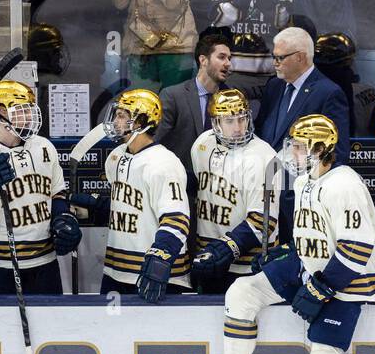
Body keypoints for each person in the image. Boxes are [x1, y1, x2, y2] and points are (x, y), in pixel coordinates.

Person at [196, 113, 375, 354]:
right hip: (312, 270)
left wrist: (322, 288)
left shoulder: (344, 184)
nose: (292, 152)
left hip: (349, 284)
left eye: (298, 146)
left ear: (319, 149)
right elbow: (311, 237)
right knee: (241, 293)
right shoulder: (304, 180)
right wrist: (287, 256)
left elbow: (357, 248)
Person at [0, 80, 79, 296]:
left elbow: (57, 193)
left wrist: (64, 219)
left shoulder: (44, 147)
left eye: (31, 110)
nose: (29, 117)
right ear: (1, 112)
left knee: (52, 327)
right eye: (22, 111)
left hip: (44, 263)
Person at [70, 88, 193, 300]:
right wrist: (95, 206)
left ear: (140, 121)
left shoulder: (164, 163)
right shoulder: (117, 157)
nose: (115, 121)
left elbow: (177, 220)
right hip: (115, 270)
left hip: (153, 273)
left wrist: (159, 261)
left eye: (121, 116)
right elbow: (132, 206)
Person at [188, 88, 280, 293]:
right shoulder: (202, 145)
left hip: (250, 266)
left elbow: (264, 220)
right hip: (208, 258)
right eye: (229, 121)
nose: (238, 127)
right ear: (215, 122)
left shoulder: (265, 157)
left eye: (242, 119)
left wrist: (226, 248)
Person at [256, 25, 351, 164]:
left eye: (280, 58)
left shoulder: (328, 93)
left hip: (301, 181)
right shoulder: (274, 86)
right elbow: (261, 131)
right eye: (273, 57)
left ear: (300, 57)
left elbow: (337, 152)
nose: (274, 63)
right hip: (267, 177)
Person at [156, 29, 237, 176]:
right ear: (203, 60)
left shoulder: (232, 100)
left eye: (229, 58)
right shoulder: (173, 96)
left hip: (219, 190)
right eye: (222, 57)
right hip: (180, 186)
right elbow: (156, 143)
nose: (228, 64)